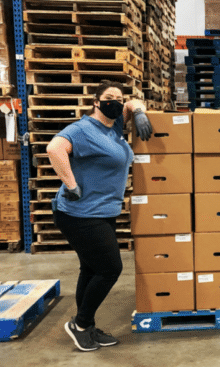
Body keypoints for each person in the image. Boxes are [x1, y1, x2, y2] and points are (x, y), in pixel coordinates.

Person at [47, 80, 153, 351]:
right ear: (96, 102)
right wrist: (70, 185)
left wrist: (138, 112)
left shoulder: (114, 125)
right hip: (79, 213)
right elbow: (54, 148)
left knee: (91, 268)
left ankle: (88, 326)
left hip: (103, 210)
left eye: (118, 98)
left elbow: (132, 104)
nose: (115, 102)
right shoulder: (83, 129)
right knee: (110, 268)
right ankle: (80, 324)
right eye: (108, 98)